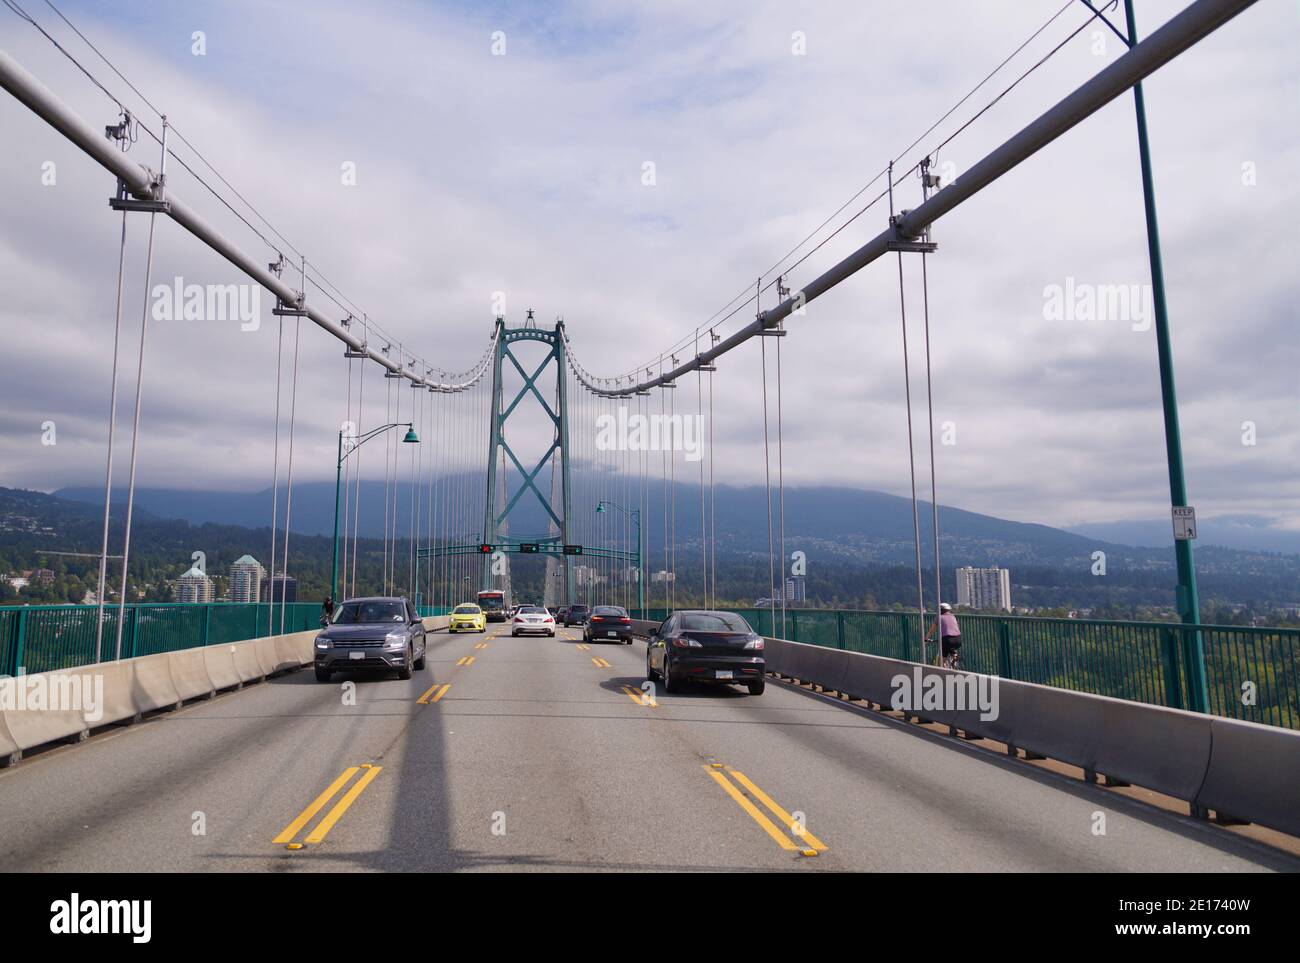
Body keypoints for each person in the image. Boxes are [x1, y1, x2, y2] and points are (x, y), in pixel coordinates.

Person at [927, 602, 962, 668]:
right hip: (958, 639)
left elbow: (931, 631)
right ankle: (954, 659)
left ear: (940, 610)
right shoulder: (953, 616)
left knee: (943, 661)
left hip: (947, 640)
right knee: (952, 648)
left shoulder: (939, 617)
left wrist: (926, 638)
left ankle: (945, 673)